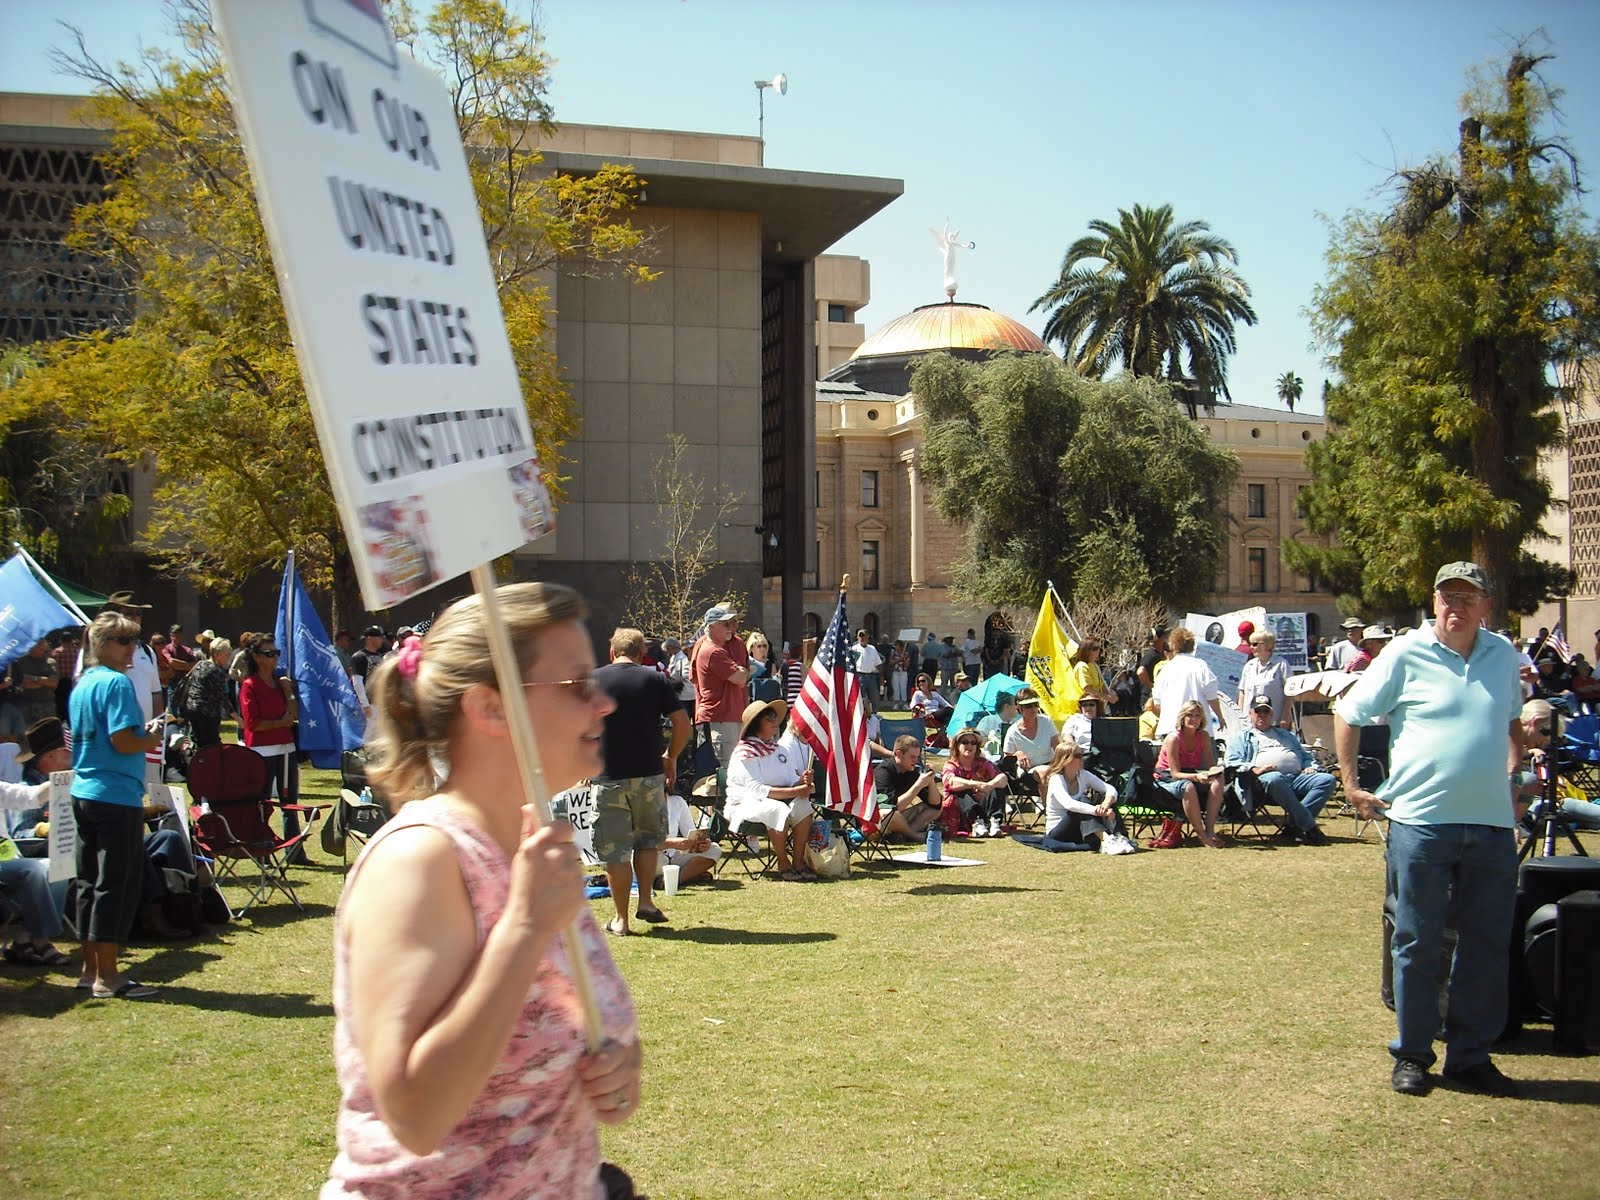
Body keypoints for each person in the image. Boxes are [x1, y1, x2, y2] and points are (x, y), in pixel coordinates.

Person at [324, 581, 640, 1195]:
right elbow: (414, 1115)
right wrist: (523, 929)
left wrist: (619, 1070)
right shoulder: (420, 860)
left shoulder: (534, 848)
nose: (602, 703)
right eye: (576, 685)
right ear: (491, 708)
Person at [1336, 561, 1524, 1098]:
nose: (1455, 608)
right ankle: (1413, 1054)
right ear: (1434, 601)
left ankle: (1470, 1057)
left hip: (1490, 825)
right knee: (1417, 941)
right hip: (1420, 822)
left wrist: (1514, 760)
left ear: (1487, 606)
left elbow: (1509, 716)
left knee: (1486, 946)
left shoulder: (1502, 655)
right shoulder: (1405, 652)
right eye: (1447, 597)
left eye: (1468, 598)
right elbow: (1350, 712)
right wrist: (1351, 785)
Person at [69, 610, 166, 999]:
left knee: (88, 882)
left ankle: (88, 970)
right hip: (115, 794)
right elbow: (124, 741)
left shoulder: (82, 684)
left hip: (85, 791)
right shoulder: (117, 683)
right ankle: (108, 977)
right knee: (115, 885)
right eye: (124, 641)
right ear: (103, 645)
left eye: (135, 641)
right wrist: (151, 736)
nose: (132, 649)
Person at [591, 628, 690, 937]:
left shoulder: (594, 680)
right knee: (648, 841)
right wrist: (671, 756)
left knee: (614, 850)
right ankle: (645, 901)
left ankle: (621, 919)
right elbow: (682, 723)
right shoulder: (655, 679)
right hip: (648, 775)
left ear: (612, 652)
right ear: (641, 654)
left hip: (607, 776)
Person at [724, 698, 815, 882]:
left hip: (779, 799)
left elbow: (790, 780)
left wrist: (802, 782)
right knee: (777, 809)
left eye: (775, 717)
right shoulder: (745, 753)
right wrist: (796, 791)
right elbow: (757, 790)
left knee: (803, 806)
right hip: (745, 804)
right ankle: (783, 862)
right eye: (769, 718)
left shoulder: (778, 749)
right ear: (757, 725)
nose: (775, 721)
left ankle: (798, 862)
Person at [1223, 695, 1333, 845]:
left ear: (1271, 714)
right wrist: (1255, 769)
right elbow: (1231, 762)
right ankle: (1310, 827)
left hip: (1295, 778)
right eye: (1258, 711)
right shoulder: (1242, 737)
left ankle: (1292, 827)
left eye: (1266, 712)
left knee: (1327, 780)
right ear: (1250, 713)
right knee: (1274, 778)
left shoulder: (1286, 735)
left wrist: (1309, 766)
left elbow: (1306, 755)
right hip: (1262, 783)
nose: (1262, 715)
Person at [238, 634, 307, 853]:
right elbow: (252, 723)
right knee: (262, 802)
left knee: (290, 802)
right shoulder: (250, 685)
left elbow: (294, 713)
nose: (274, 657)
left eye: (276, 653)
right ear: (257, 657)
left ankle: (294, 851)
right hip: (261, 751)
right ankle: (261, 846)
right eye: (269, 653)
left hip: (286, 748)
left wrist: (288, 692)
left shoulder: (280, 683)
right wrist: (280, 723)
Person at [1151, 700, 1226, 849]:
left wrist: (1214, 772)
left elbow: (1211, 765)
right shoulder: (1173, 738)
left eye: (1197, 715)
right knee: (1188, 787)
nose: (1194, 719)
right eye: (1190, 715)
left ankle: (1210, 830)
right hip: (1166, 779)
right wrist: (1197, 777)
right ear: (1183, 718)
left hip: (1191, 774)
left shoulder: (1203, 736)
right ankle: (1202, 836)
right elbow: (1175, 773)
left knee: (1219, 779)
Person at [1041, 741, 1134, 853]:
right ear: (1066, 760)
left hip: (1078, 829)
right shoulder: (1056, 779)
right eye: (1078, 756)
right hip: (1058, 832)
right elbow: (1069, 804)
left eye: (1082, 755)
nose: (1082, 759)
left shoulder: (1083, 774)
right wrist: (1098, 811)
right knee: (1082, 801)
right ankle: (1106, 840)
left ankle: (1120, 837)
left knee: (1107, 799)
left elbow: (1110, 789)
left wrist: (1106, 804)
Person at [690, 603, 750, 767]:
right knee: (727, 769)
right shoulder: (709, 649)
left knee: (738, 766)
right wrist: (738, 671)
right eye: (726, 623)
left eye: (733, 621)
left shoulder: (737, 643)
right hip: (719, 716)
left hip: (736, 714)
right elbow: (740, 677)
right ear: (711, 626)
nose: (731, 626)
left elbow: (744, 676)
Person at [1150, 627, 1222, 737]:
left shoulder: (1165, 669)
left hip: (1170, 729)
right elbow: (1211, 695)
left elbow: (1157, 703)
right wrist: (1220, 717)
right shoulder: (1200, 665)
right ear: (1192, 646)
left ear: (1173, 646)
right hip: (1198, 730)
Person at [941, 727, 1010, 837]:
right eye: (965, 742)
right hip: (960, 810)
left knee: (996, 787)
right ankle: (977, 823)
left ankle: (994, 822)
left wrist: (988, 786)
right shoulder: (951, 765)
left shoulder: (983, 763)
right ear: (957, 745)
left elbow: (1003, 778)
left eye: (973, 743)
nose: (969, 745)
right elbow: (950, 782)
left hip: (982, 802)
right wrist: (975, 784)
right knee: (960, 792)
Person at [872, 735, 943, 842]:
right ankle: (913, 835)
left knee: (937, 808)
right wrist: (918, 786)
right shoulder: (882, 772)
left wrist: (931, 780)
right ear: (898, 754)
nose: (916, 761)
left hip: (897, 818)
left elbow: (936, 804)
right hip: (875, 822)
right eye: (912, 757)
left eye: (917, 757)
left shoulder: (911, 771)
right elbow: (891, 808)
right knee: (890, 814)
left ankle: (903, 835)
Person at [655, 791, 721, 885]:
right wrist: (671, 843)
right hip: (652, 858)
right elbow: (639, 843)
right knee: (647, 853)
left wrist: (703, 843)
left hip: (674, 857)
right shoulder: (639, 802)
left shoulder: (677, 801)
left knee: (714, 849)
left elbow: (691, 833)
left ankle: (674, 881)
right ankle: (689, 876)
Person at [1002, 687, 1058, 787]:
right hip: (1028, 772)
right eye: (1028, 706)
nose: (1033, 709)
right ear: (1020, 708)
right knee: (1045, 773)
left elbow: (1057, 748)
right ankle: (1047, 803)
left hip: (1050, 765)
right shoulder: (1012, 731)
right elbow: (1007, 760)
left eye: (1035, 705)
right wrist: (1017, 754)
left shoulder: (1047, 721)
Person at [1237, 630, 1292, 726]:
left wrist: (1286, 716)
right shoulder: (1249, 665)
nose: (1251, 648)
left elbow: (1290, 694)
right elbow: (1242, 692)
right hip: (1249, 722)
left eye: (1254, 644)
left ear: (1267, 645)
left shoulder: (1282, 665)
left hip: (1274, 722)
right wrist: (1239, 715)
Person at [9, 637, 59, 729]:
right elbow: (24, 683)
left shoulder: (50, 662)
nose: (41, 646)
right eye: (38, 644)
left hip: (47, 705)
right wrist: (44, 682)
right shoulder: (21, 662)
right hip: (27, 705)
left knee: (49, 733)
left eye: (42, 643)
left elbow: (53, 683)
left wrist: (34, 678)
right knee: (29, 734)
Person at [1070, 637, 1118, 709]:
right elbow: (1088, 690)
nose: (1098, 651)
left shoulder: (1094, 665)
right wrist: (1108, 697)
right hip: (1085, 708)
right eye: (1095, 649)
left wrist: (1110, 693)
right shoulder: (1082, 667)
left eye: (1099, 648)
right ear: (1086, 650)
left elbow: (1102, 685)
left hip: (1097, 707)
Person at [850, 629, 882, 706]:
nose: (862, 638)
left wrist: (881, 676)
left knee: (873, 697)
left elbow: (878, 663)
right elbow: (851, 664)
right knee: (860, 697)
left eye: (863, 636)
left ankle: (874, 713)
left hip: (871, 676)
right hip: (860, 676)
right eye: (860, 636)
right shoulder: (854, 649)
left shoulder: (872, 649)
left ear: (867, 637)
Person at [888, 641, 910, 706]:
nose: (895, 647)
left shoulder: (906, 654)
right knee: (896, 688)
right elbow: (890, 662)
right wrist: (898, 659)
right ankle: (896, 703)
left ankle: (904, 703)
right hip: (895, 672)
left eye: (897, 645)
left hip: (903, 672)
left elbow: (907, 665)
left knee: (903, 687)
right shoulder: (893, 653)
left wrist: (903, 659)